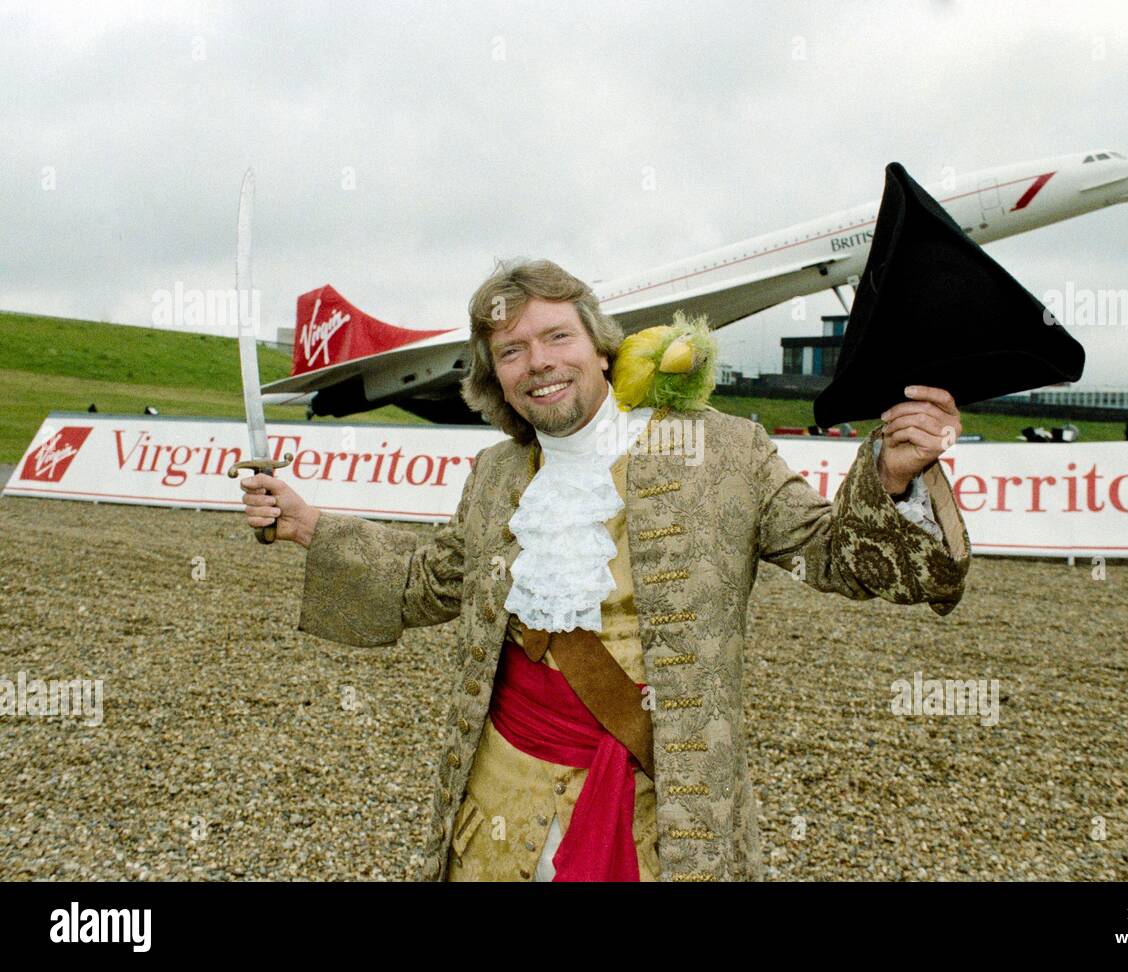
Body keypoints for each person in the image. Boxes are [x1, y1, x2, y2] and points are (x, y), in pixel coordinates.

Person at [239, 257, 971, 882]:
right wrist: (310, 525)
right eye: (513, 351)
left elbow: (837, 558)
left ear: (599, 347)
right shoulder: (495, 475)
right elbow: (432, 582)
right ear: (495, 376)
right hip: (501, 797)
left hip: (667, 808)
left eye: (557, 336)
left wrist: (892, 477)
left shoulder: (720, 449)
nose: (540, 363)